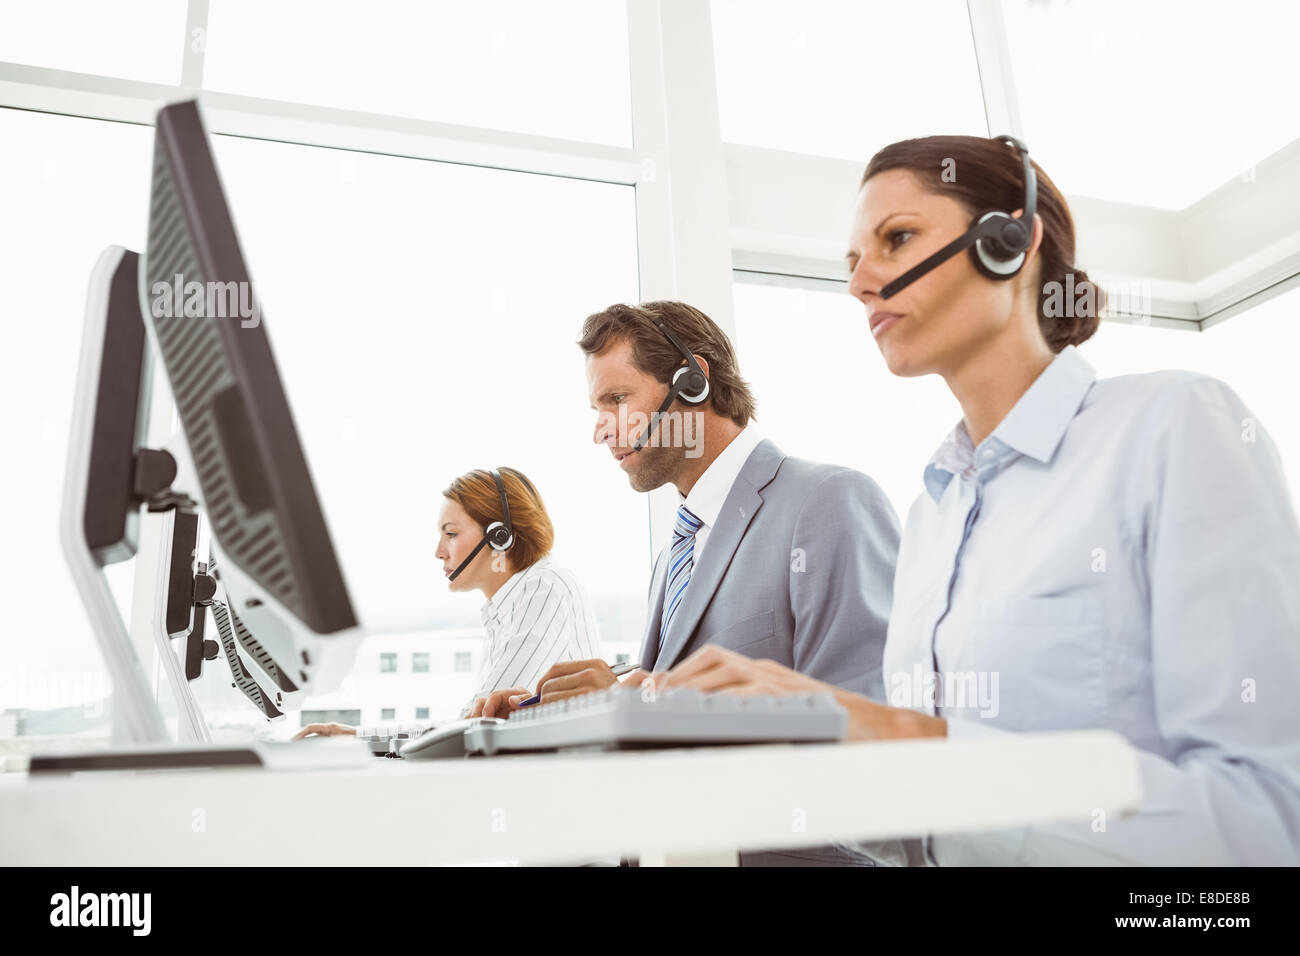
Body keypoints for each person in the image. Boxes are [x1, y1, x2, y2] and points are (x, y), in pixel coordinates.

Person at [650, 134, 1300, 865]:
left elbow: (1266, 827)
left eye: (896, 239)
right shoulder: (934, 512)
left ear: (1010, 244)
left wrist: (894, 736)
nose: (862, 283)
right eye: (854, 262)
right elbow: (920, 830)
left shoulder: (1174, 429)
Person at [480, 300, 902, 867]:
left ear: (693, 381)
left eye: (617, 399)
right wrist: (573, 723)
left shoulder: (827, 502)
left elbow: (864, 738)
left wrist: (643, 708)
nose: (602, 430)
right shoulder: (677, 550)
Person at [294, 466, 600, 738]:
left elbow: (477, 724)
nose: (439, 552)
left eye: (451, 534)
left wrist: (361, 737)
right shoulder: (506, 610)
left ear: (500, 537)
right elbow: (467, 724)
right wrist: (359, 736)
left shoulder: (546, 588)